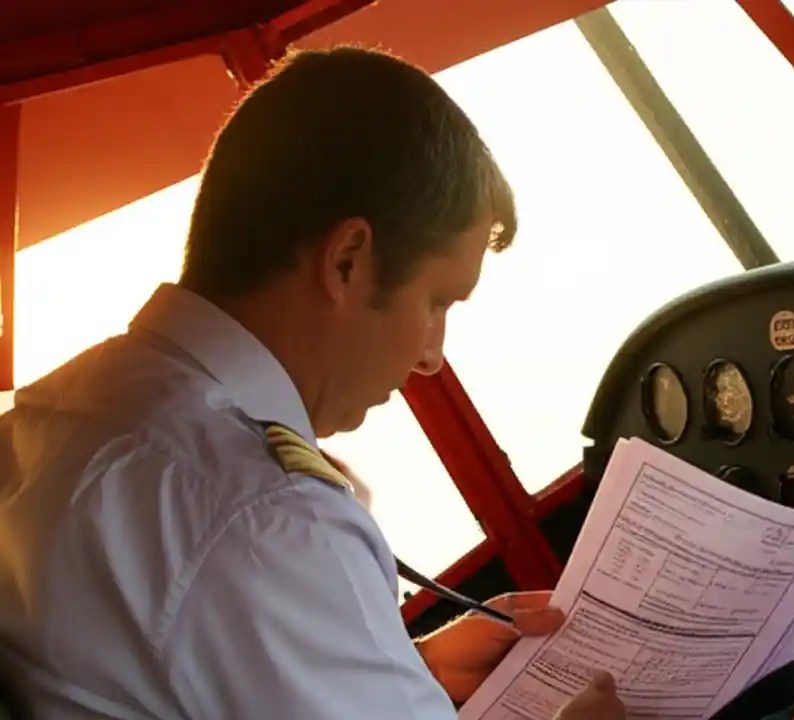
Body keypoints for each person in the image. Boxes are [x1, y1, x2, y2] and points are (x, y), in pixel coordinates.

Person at [0, 46, 624, 720]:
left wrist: (403, 667)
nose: (431, 356)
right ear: (349, 261)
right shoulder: (268, 518)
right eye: (437, 302)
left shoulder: (57, 416)